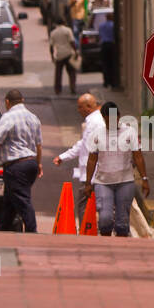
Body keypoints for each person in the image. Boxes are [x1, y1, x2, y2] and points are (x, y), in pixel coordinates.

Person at [85, 103, 150, 236]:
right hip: (103, 183)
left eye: (115, 118)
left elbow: (138, 157)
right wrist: (88, 183)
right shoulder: (97, 134)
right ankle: (106, 244)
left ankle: (121, 249)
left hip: (125, 182)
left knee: (122, 223)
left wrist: (144, 179)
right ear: (104, 118)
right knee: (105, 220)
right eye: (109, 119)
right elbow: (92, 159)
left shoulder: (129, 132)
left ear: (119, 116)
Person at [0, 89, 44, 232]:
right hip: (31, 163)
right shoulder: (33, 117)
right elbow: (39, 145)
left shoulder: (8, 117)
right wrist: (38, 164)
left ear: (7, 102)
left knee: (22, 199)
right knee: (10, 200)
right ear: (22, 100)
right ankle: (3, 229)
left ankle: (32, 231)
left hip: (16, 165)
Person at [54, 92, 105, 231]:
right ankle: (89, 229)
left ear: (88, 107)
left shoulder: (96, 122)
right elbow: (82, 144)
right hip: (91, 173)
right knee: (93, 204)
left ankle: (86, 230)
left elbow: (93, 149)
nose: (78, 110)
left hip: (93, 173)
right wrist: (64, 157)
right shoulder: (92, 122)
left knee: (85, 204)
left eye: (80, 107)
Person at [49, 20, 79, 95]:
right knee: (72, 72)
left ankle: (58, 90)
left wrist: (52, 56)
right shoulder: (68, 30)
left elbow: (51, 46)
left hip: (59, 55)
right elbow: (72, 42)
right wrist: (76, 51)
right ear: (64, 23)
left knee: (58, 73)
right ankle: (73, 87)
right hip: (68, 53)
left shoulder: (53, 33)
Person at [98, 14, 118, 88]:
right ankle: (112, 81)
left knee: (105, 64)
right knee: (112, 64)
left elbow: (100, 35)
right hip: (111, 45)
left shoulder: (101, 26)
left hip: (104, 45)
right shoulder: (113, 25)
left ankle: (106, 82)